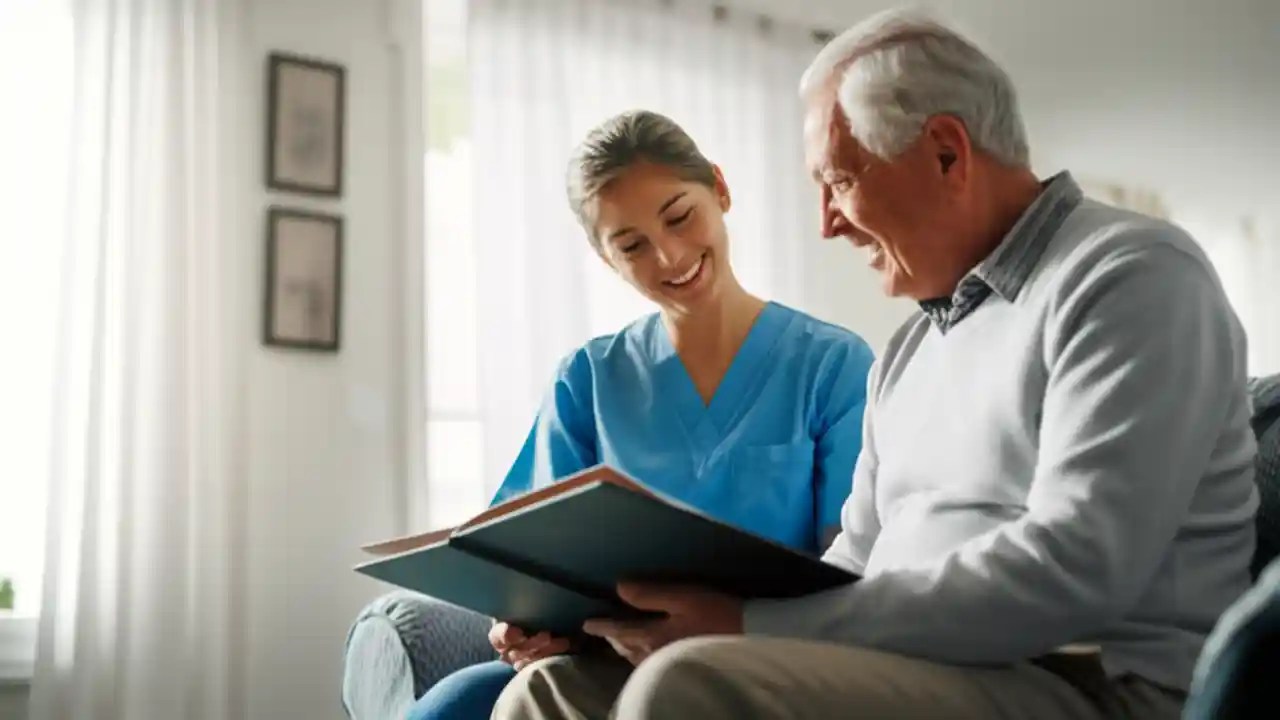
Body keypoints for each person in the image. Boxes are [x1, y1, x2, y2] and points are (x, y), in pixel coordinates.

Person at [494, 9, 1259, 720]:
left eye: (839, 180)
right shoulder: (913, 348)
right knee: (551, 693)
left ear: (946, 153)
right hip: (924, 663)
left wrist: (749, 628)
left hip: (1085, 681)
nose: (826, 224)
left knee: (685, 685)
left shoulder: (1130, 275)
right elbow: (852, 560)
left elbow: (1077, 567)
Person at [404, 109, 875, 720]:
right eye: (631, 245)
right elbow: (524, 553)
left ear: (720, 189)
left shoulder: (831, 367)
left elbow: (857, 567)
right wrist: (523, 621)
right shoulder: (589, 380)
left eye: (681, 217)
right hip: (608, 661)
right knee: (467, 703)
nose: (670, 254)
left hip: (764, 663)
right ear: (605, 258)